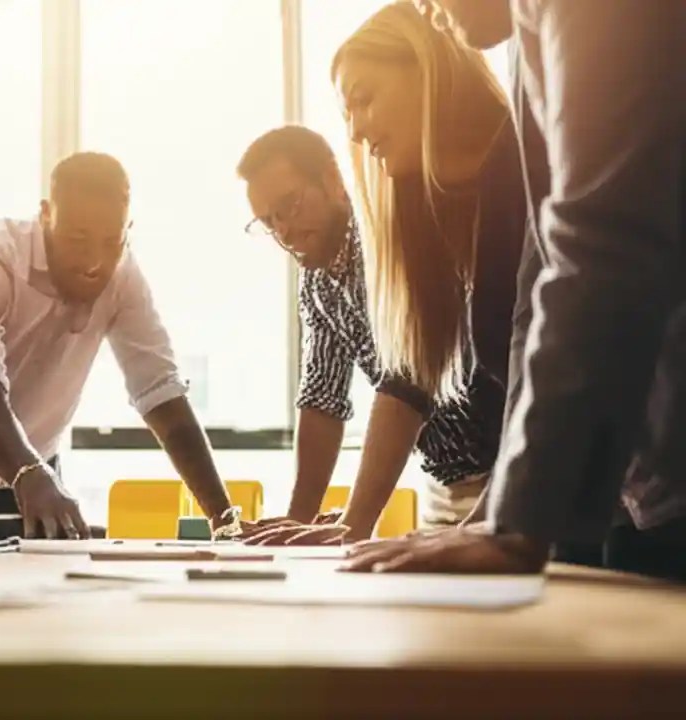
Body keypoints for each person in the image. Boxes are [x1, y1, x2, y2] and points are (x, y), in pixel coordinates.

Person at [346, 0, 686, 581]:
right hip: (643, 486)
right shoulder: (529, 45)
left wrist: (521, 520)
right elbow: (538, 282)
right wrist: (506, 505)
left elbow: (603, 240)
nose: (423, 7)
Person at [245, 2, 528, 546]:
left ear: (429, 70)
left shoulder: (519, 174)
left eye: (364, 99)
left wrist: (492, 522)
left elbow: (557, 365)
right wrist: (334, 523)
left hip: (578, 486)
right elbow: (400, 379)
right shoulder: (421, 223)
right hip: (509, 490)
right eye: (270, 221)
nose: (354, 128)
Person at [0, 152, 241, 541]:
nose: (93, 262)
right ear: (46, 214)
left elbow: (161, 393)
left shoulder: (123, 277)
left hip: (35, 486)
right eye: (77, 239)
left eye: (111, 242)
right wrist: (29, 472)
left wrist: (224, 520)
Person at [235, 125, 502, 545]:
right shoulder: (317, 284)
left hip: (511, 469)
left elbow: (407, 378)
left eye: (291, 205)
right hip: (445, 488)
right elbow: (322, 399)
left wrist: (355, 523)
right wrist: (298, 520)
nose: (284, 232)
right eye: (270, 222)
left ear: (332, 180)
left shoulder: (394, 239)